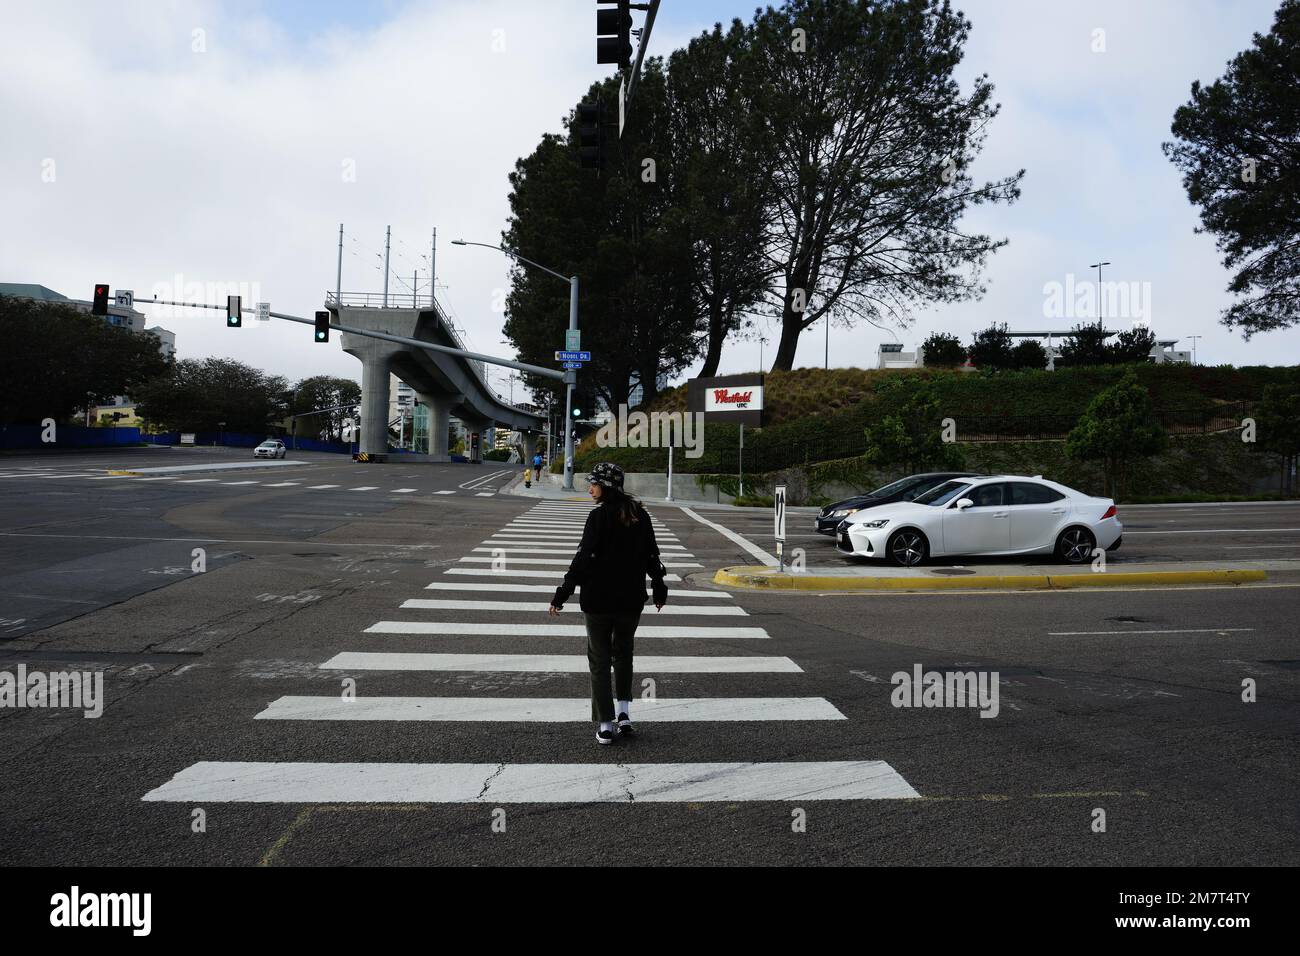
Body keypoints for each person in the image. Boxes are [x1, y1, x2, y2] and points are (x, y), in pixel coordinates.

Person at [548, 462, 668, 745]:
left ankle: (605, 724)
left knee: (600, 661)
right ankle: (624, 714)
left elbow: (582, 560)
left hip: (598, 601)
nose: (590, 488)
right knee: (624, 654)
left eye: (594, 484)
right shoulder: (640, 516)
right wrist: (659, 588)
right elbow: (652, 556)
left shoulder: (598, 517)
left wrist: (562, 593)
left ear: (606, 486)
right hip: (630, 600)